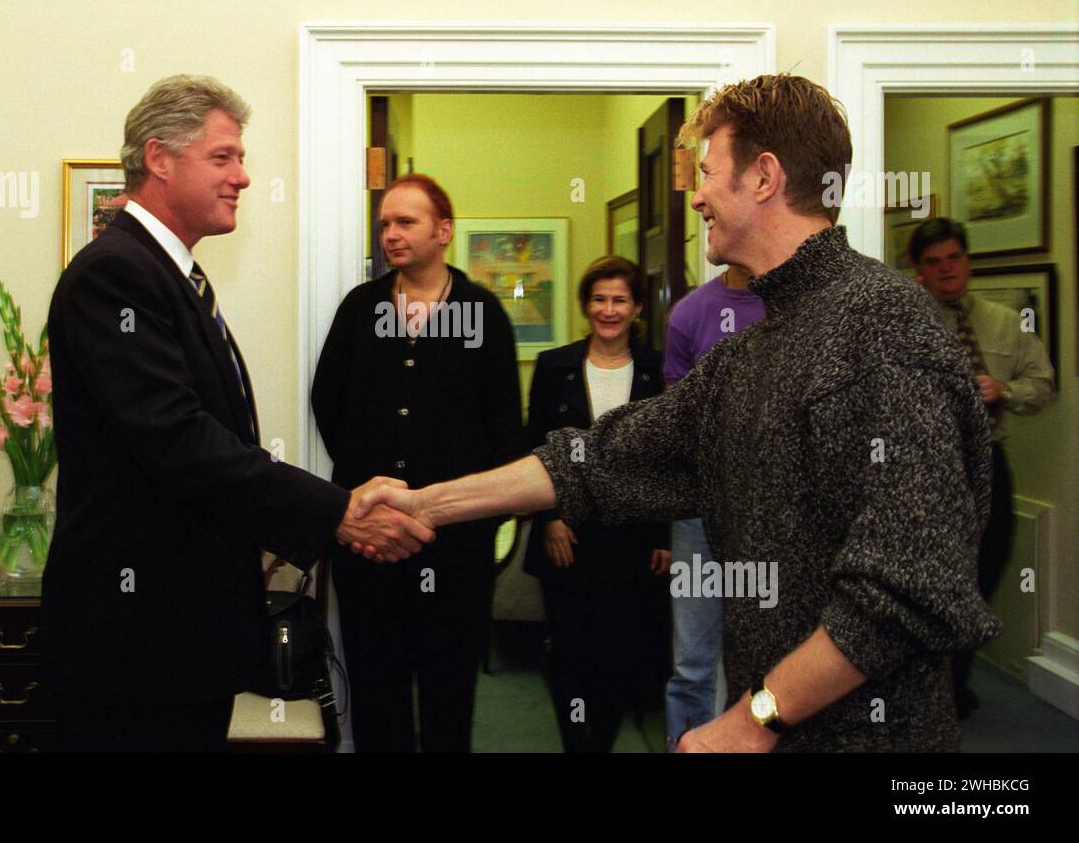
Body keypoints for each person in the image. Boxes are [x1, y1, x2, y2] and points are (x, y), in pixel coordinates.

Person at [352, 74, 1002, 752]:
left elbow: (907, 589)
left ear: (764, 177)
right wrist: (427, 505)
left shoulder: (885, 327)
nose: (694, 197)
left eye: (709, 173)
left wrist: (754, 722)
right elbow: (601, 458)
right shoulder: (753, 350)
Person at [43, 74, 431, 752]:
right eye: (224, 158)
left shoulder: (174, 278)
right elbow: (177, 440)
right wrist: (335, 510)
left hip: (178, 636)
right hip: (136, 643)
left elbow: (211, 440)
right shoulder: (116, 275)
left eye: (241, 159)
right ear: (160, 159)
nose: (244, 177)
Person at [311, 173, 526, 752]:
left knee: (448, 695)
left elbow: (507, 430)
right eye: (384, 223)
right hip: (370, 544)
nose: (391, 234)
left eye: (406, 222)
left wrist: (462, 510)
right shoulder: (361, 310)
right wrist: (364, 485)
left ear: (444, 230)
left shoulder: (481, 314)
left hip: (454, 549)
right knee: (377, 694)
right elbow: (326, 400)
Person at [523, 255, 672, 753]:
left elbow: (670, 460)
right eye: (599, 299)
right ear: (586, 305)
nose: (608, 310)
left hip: (631, 538)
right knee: (569, 652)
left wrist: (663, 537)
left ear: (636, 309)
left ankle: (601, 745)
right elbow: (534, 451)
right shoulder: (555, 366)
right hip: (567, 534)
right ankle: (574, 744)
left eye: (619, 300)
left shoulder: (658, 370)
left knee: (618, 655)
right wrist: (549, 520)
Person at [908, 217, 1055, 718]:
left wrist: (1004, 390)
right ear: (919, 271)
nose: (946, 270)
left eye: (954, 258)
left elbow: (1044, 385)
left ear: (967, 261)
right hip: (925, 465)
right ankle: (924, 683)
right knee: (925, 577)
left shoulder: (1005, 321)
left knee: (983, 573)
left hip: (988, 462)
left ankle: (955, 680)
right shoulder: (905, 322)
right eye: (934, 263)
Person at [661, 262, 764, 749]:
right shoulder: (690, 313)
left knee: (773, 659)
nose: (702, 202)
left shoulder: (803, 306)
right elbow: (675, 422)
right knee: (693, 662)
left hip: (776, 517)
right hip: (699, 513)